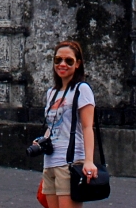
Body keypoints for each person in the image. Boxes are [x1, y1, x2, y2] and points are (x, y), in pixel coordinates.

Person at [33, 40, 98, 208]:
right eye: (58, 60)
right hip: (50, 163)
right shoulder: (52, 93)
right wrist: (43, 139)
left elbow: (87, 127)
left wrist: (89, 161)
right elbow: (53, 125)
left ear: (77, 64)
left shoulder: (81, 89)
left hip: (70, 162)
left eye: (68, 61)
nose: (62, 64)